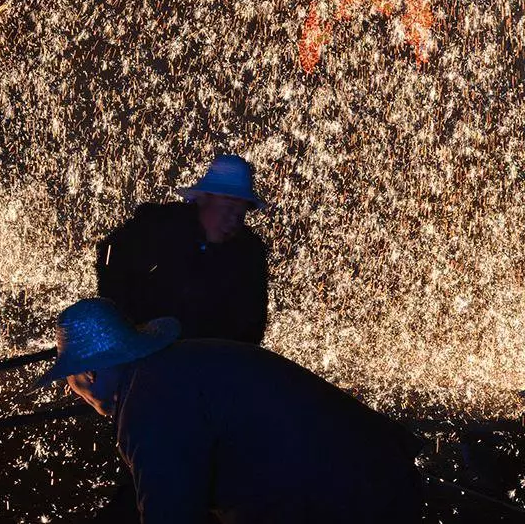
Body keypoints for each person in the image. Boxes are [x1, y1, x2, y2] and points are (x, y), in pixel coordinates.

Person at [38, 298, 423, 524]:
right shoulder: (174, 367)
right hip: (371, 474)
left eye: (68, 379)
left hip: (346, 500)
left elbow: (171, 514)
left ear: (88, 372)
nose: (75, 393)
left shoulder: (149, 402)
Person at [97, 154, 268, 343]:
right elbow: (111, 255)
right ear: (202, 199)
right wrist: (124, 325)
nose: (232, 220)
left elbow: (251, 325)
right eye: (227, 208)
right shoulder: (157, 228)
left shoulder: (250, 255)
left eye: (239, 213)